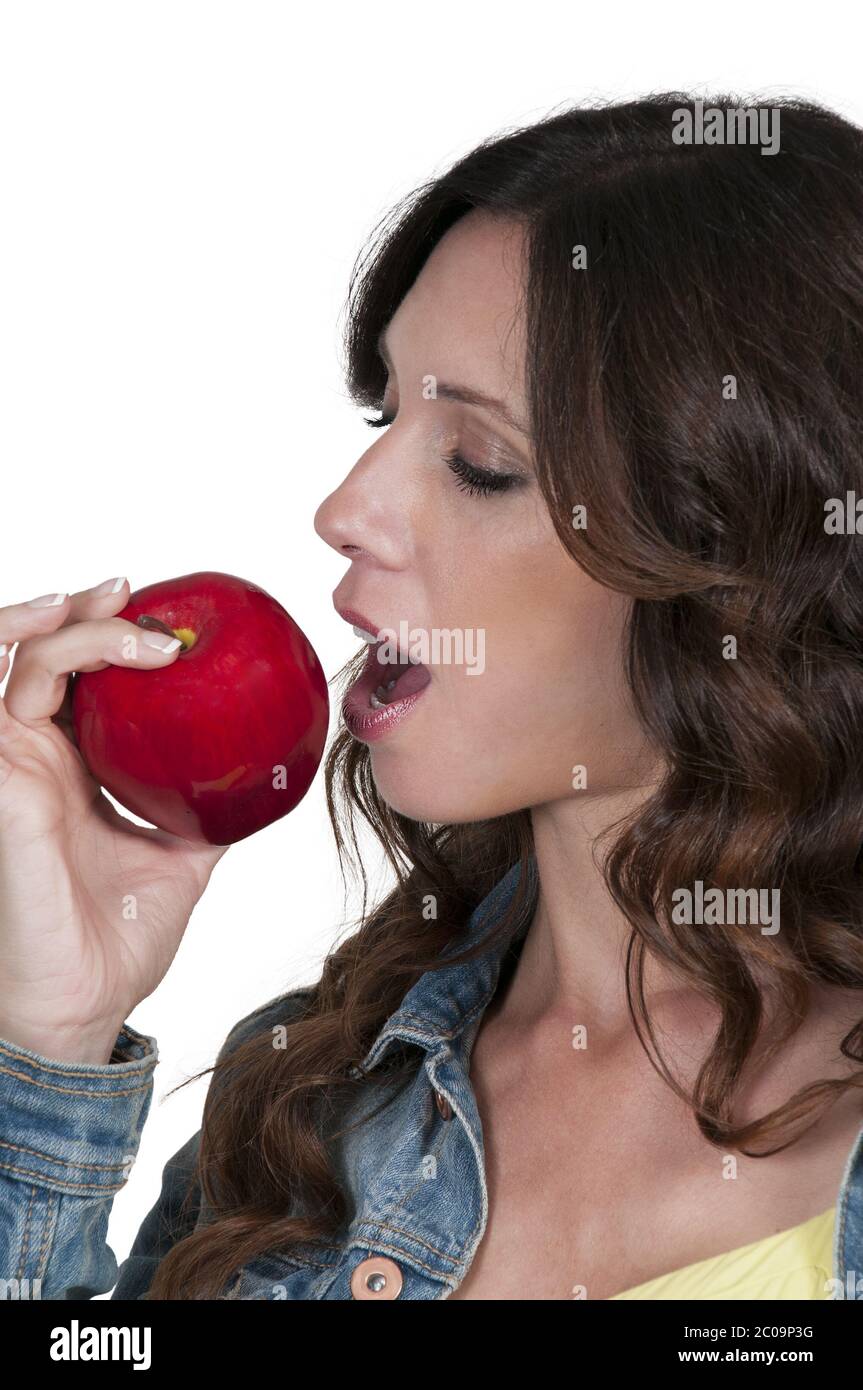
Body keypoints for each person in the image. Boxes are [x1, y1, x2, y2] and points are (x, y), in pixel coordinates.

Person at [2, 91, 863, 1302]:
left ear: (737, 560)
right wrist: (49, 1043)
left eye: (480, 463)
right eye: (385, 412)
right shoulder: (303, 1097)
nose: (342, 510)